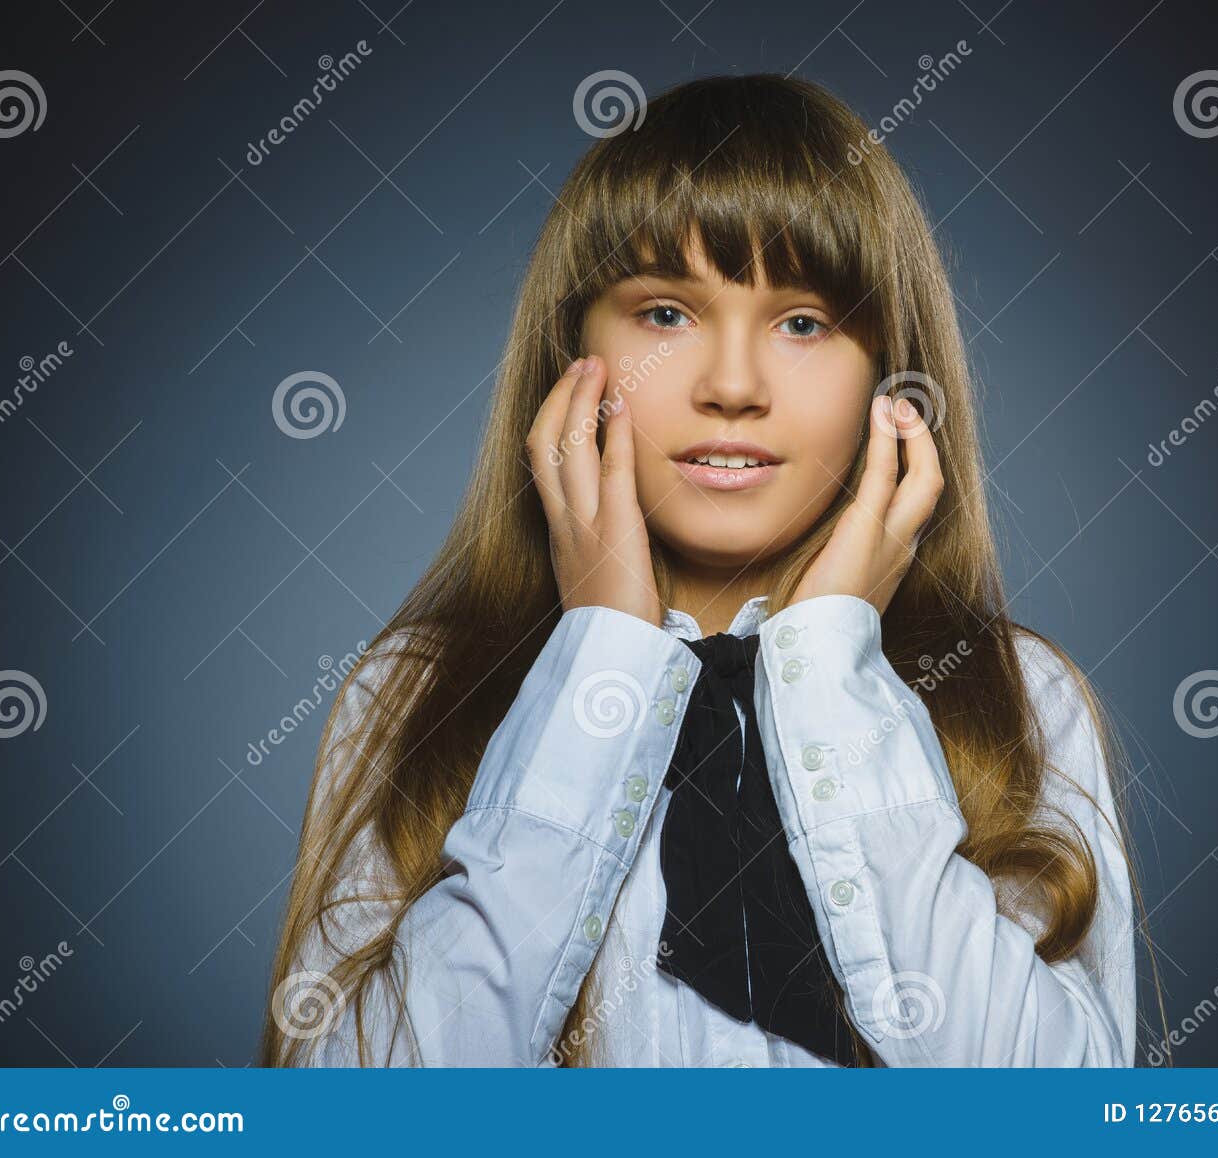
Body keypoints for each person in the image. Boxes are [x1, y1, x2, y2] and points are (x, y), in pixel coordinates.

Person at [260, 72, 1152, 1067]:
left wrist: (825, 671)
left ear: (890, 373)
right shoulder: (410, 695)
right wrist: (605, 662)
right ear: (570, 352)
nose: (732, 387)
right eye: (664, 315)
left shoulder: (1017, 697)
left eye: (804, 322)